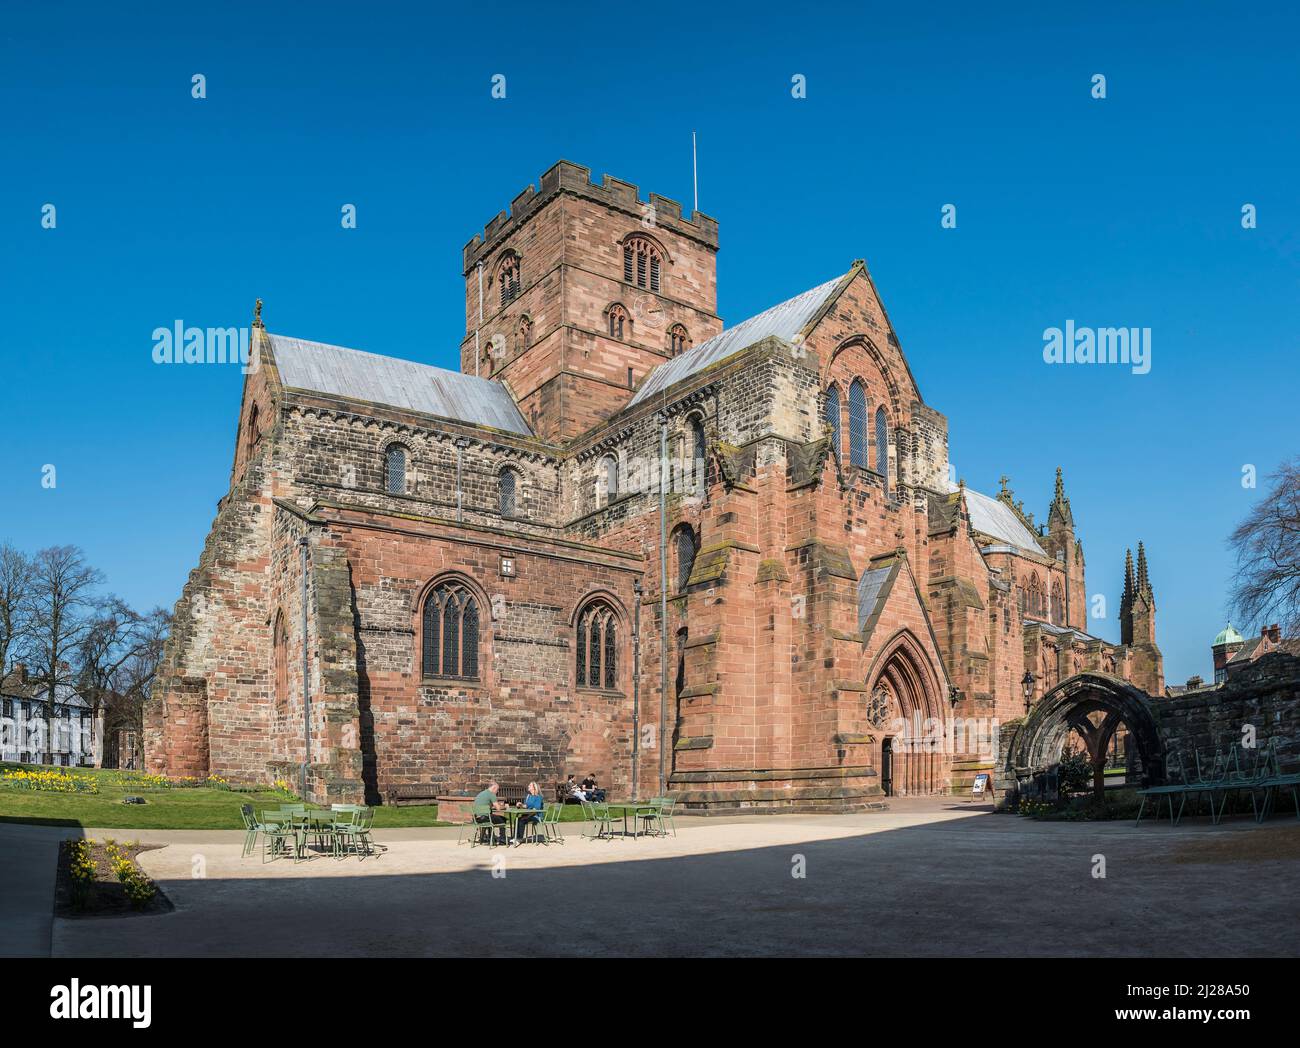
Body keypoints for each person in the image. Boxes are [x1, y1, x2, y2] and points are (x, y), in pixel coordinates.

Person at [473, 780, 507, 845]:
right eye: (497, 789)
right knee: (503, 819)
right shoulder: (491, 794)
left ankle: (484, 838)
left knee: (492, 817)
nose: (498, 791)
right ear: (493, 788)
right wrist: (505, 806)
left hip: (477, 818)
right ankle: (502, 840)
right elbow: (498, 808)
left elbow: (484, 806)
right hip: (485, 818)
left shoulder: (481, 793)